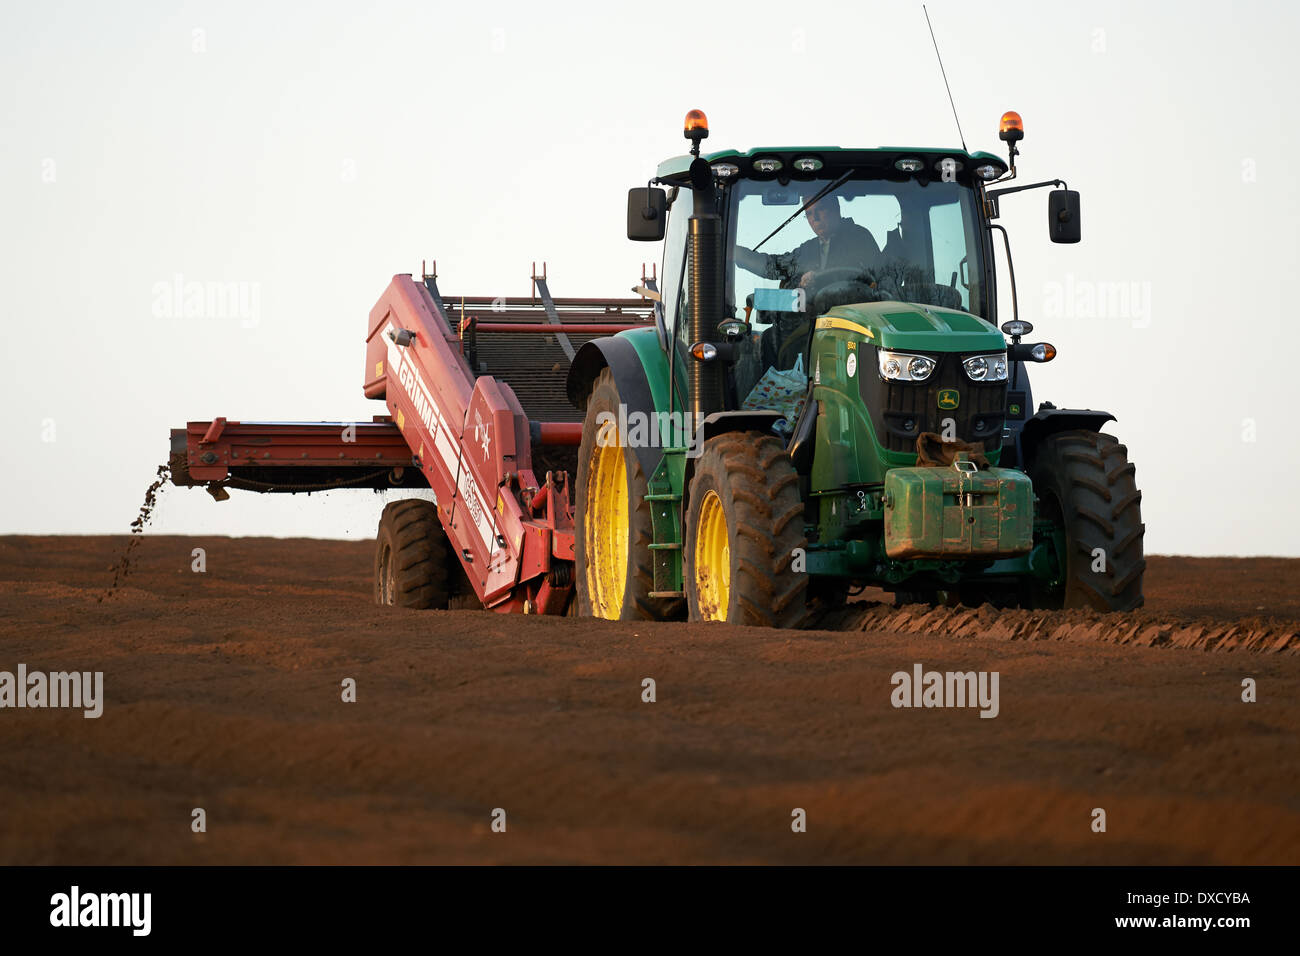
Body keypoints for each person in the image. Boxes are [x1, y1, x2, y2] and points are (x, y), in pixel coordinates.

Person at [734, 193, 883, 293]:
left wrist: (817, 280)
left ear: (836, 209)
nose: (815, 219)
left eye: (820, 210)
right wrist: (737, 254)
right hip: (813, 323)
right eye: (809, 214)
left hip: (851, 321)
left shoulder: (859, 237)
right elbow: (773, 266)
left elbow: (877, 280)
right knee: (767, 329)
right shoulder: (807, 250)